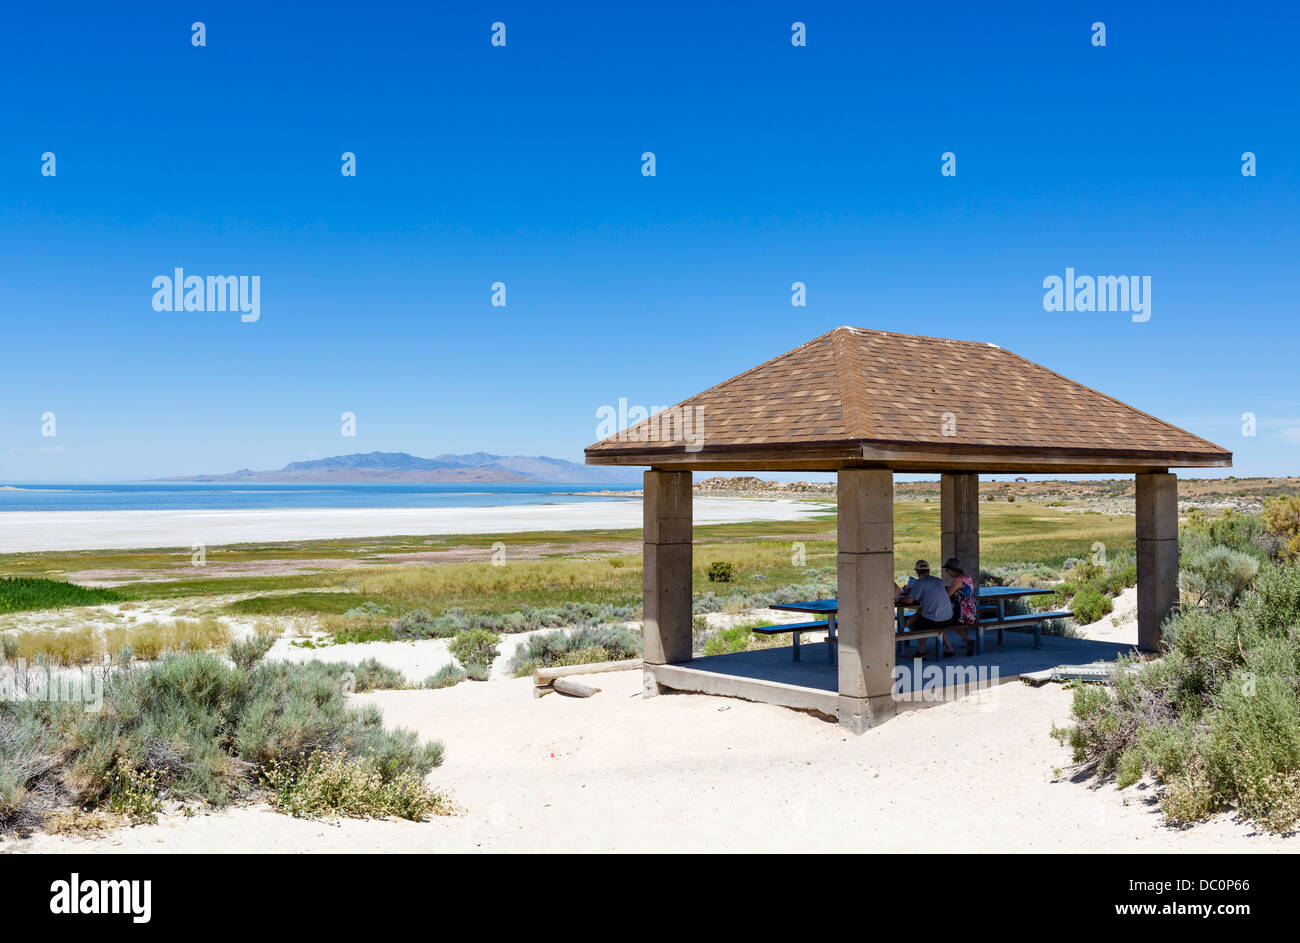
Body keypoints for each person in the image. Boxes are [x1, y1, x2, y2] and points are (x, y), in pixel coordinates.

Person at [896, 560, 954, 655]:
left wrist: (899, 598)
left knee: (916, 623)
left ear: (917, 572)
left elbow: (909, 601)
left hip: (935, 620)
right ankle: (949, 648)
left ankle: (922, 652)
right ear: (929, 570)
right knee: (927, 616)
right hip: (948, 618)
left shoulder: (919, 583)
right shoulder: (938, 580)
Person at [942, 557, 978, 657]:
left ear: (953, 570)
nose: (946, 571)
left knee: (941, 625)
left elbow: (946, 596)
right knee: (956, 626)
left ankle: (949, 649)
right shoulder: (967, 577)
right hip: (971, 611)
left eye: (947, 569)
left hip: (962, 613)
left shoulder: (957, 581)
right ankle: (969, 641)